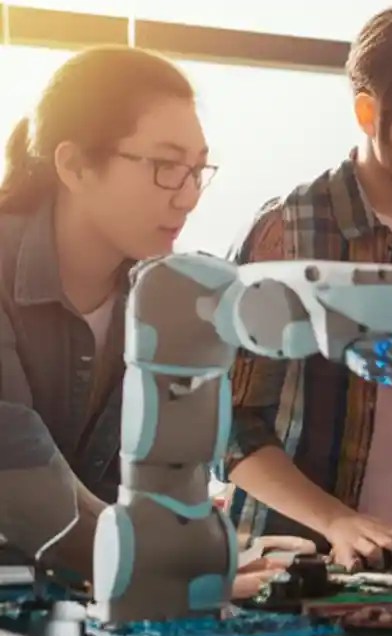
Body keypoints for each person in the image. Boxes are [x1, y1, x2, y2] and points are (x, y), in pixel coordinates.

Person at [222, 6, 392, 568]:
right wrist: (337, 521)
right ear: (368, 113)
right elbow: (230, 425)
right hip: (293, 558)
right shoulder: (291, 228)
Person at [0, 46, 278, 597]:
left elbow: (147, 479)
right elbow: (17, 473)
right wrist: (163, 565)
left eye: (197, 170)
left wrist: (199, 548)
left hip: (59, 597)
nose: (189, 197)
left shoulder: (159, 293)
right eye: (165, 168)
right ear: (75, 166)